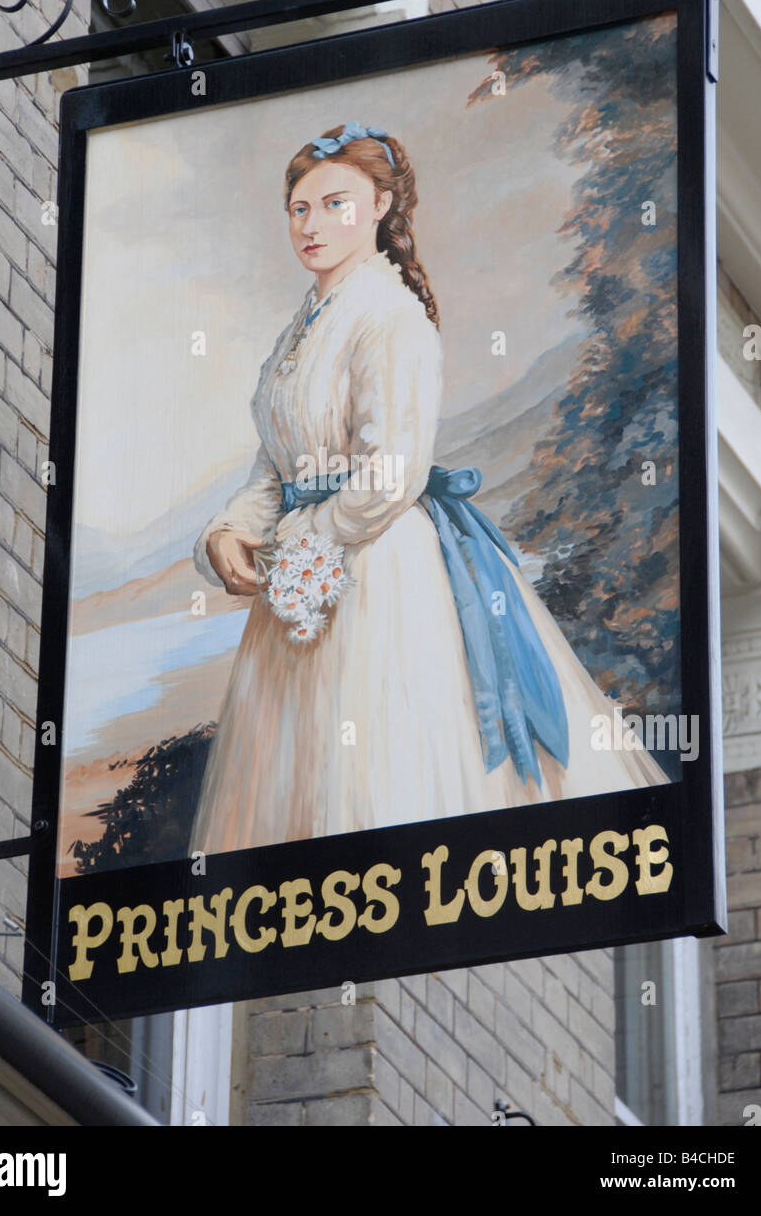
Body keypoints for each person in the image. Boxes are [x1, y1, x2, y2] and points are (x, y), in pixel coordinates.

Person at [189, 121, 669, 856]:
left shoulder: (389, 315)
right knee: (289, 786)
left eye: (334, 204)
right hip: (298, 581)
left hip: (374, 566)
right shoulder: (299, 332)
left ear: (379, 206)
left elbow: (392, 472)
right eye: (299, 209)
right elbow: (275, 467)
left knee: (366, 771)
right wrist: (227, 532)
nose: (312, 225)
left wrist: (303, 541)